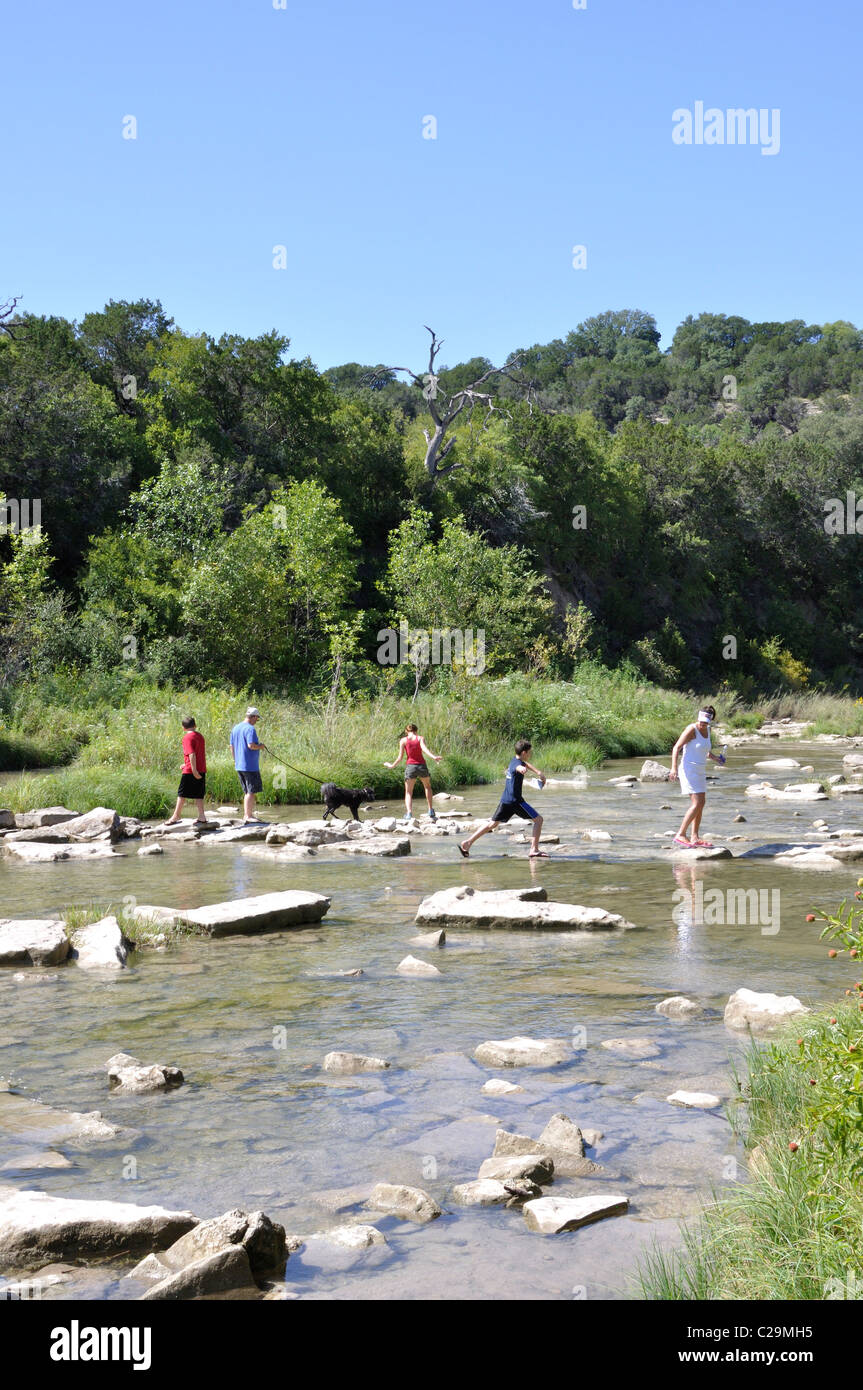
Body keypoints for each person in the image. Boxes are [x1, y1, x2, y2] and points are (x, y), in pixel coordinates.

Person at [459, 738, 547, 859]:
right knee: (539, 820)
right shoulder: (518, 765)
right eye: (529, 752)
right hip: (515, 801)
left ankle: (468, 843)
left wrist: (538, 772)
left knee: (492, 824)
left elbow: (524, 764)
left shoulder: (514, 760)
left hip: (505, 800)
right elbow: (520, 767)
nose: (530, 754)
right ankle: (534, 849)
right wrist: (522, 770)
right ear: (524, 753)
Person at [670, 705, 725, 848]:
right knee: (697, 803)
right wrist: (674, 768)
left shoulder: (707, 729)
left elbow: (705, 750)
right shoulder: (691, 729)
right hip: (688, 769)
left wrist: (716, 759)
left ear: (710, 721)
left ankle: (695, 837)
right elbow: (676, 748)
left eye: (706, 722)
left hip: (700, 770)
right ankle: (680, 834)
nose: (703, 724)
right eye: (701, 720)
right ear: (698, 717)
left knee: (702, 803)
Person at [384, 723, 442, 822]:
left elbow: (400, 757)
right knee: (427, 787)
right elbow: (424, 749)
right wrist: (434, 757)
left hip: (410, 767)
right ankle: (430, 810)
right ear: (416, 730)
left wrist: (391, 766)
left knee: (408, 792)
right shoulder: (420, 738)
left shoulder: (403, 740)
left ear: (406, 731)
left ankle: (409, 813)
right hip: (422, 766)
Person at [165, 716, 208, 825]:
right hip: (201, 768)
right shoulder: (200, 736)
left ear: (183, 728)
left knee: (182, 794)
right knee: (199, 794)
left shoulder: (187, 738)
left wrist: (193, 770)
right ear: (195, 725)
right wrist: (186, 764)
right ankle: (202, 816)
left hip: (191, 771)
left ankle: (176, 816)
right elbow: (198, 754)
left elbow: (192, 754)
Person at [230, 706, 265, 825]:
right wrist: (261, 746)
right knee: (251, 791)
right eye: (257, 718)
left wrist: (235, 760)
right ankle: (248, 815)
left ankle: (247, 814)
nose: (257, 721)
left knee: (247, 791)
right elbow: (251, 745)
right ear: (253, 717)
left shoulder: (236, 728)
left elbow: (232, 747)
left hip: (239, 765)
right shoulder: (250, 729)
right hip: (250, 765)